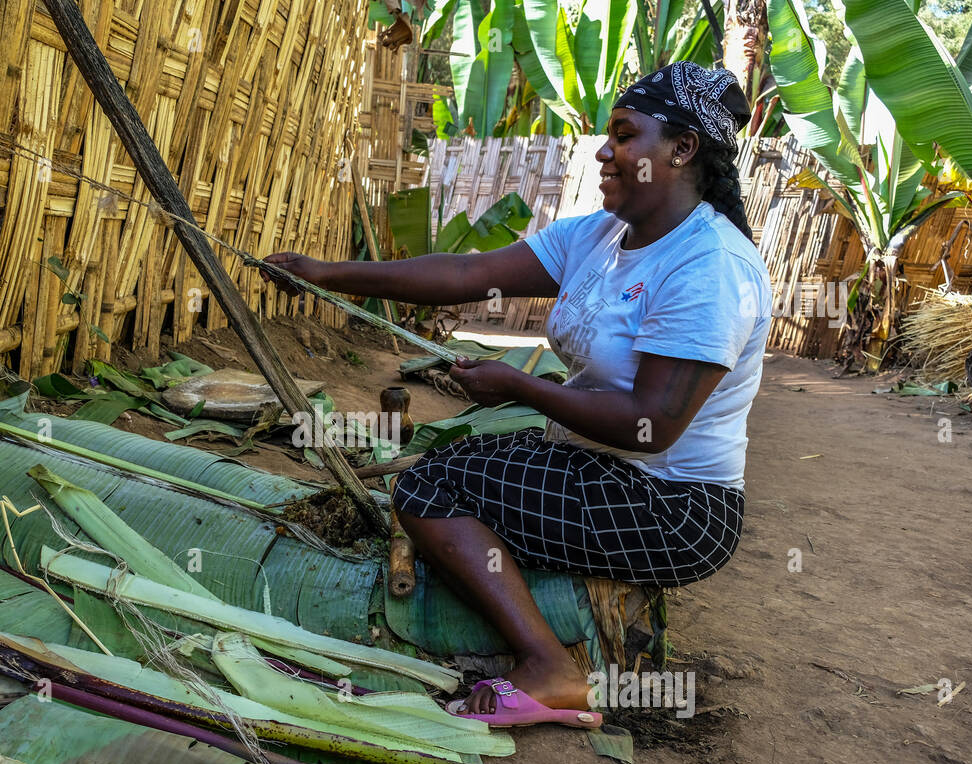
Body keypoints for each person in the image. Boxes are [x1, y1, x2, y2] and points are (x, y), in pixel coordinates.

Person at [260, 63, 772, 727]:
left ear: (681, 150)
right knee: (456, 467)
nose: (604, 150)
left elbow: (652, 425)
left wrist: (517, 385)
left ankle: (551, 667)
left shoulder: (711, 267)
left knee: (427, 491)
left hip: (674, 507)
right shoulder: (600, 236)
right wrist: (326, 272)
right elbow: (469, 271)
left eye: (623, 134)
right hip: (609, 466)